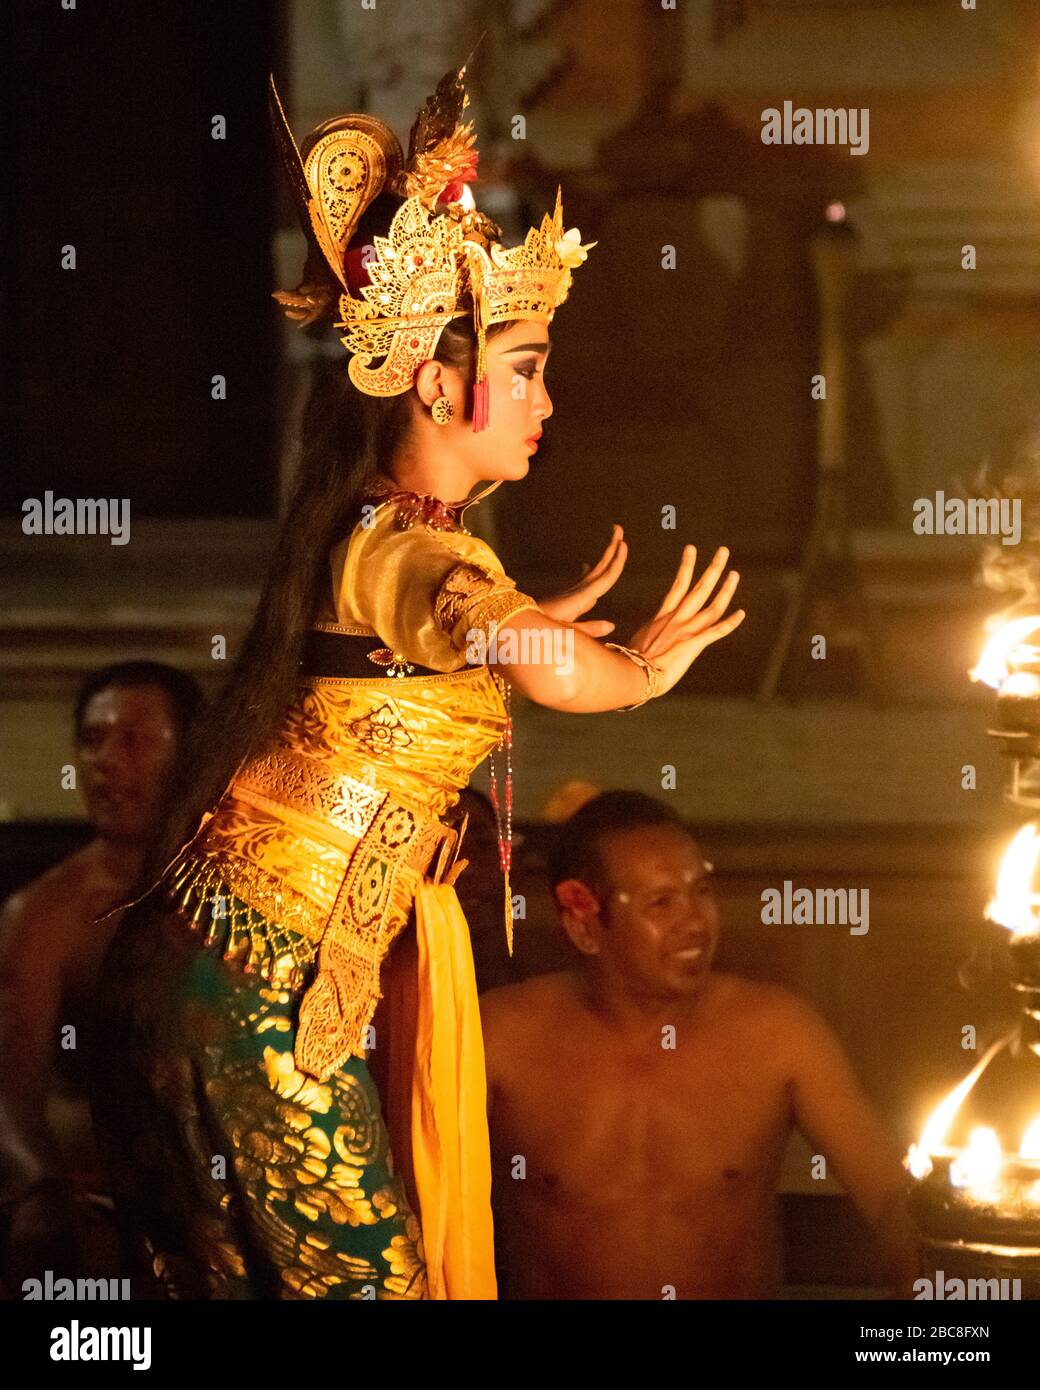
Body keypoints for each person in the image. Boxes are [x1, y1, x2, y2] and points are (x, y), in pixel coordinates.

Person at [89, 66, 745, 1302]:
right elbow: (543, 673)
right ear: (440, 382)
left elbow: (425, 665)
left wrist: (516, 632)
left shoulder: (394, 535)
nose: (547, 398)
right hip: (266, 989)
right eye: (530, 365)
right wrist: (638, 664)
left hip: (256, 980)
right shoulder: (416, 548)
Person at [480, 791, 918, 1299]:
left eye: (701, 891)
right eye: (660, 904)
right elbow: (412, 1210)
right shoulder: (503, 1038)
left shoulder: (778, 1033)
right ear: (583, 924)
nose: (694, 923)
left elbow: (890, 1197)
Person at [0, 661, 203, 1289]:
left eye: (134, 739)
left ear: (189, 754)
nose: (106, 761)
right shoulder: (43, 915)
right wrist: (45, 1192)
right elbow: (10, 1090)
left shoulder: (237, 887)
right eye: (92, 740)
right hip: (98, 1207)